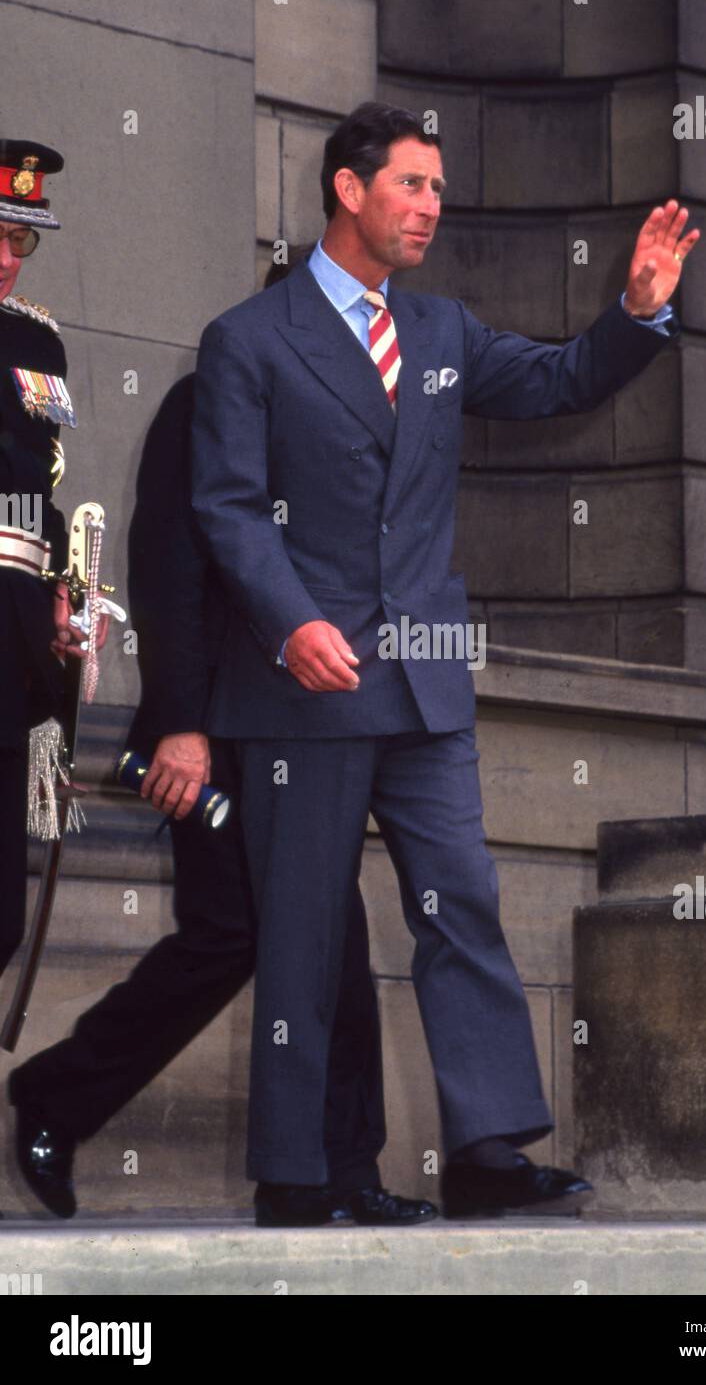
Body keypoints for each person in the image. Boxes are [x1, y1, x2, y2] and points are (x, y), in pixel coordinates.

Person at [190, 101, 699, 1224]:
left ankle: (484, 1151)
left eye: (435, 187)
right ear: (349, 191)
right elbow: (227, 510)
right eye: (412, 184)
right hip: (301, 686)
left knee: (462, 898)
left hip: (423, 680)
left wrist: (635, 312)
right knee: (307, 934)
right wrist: (287, 620)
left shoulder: (441, 333)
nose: (432, 204)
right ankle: (302, 1175)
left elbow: (561, 380)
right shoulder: (248, 340)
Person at [7, 254, 433, 1227]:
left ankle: (339, 1172)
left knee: (323, 929)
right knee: (233, 929)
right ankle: (60, 1094)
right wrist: (185, 729)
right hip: (212, 736)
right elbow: (165, 576)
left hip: (303, 735)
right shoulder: (204, 405)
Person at [0, 138, 104, 981]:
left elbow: (42, 490)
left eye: (22, 239)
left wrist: (66, 598)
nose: (8, 258)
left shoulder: (39, 344)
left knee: (1, 916)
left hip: (14, 645)